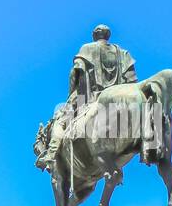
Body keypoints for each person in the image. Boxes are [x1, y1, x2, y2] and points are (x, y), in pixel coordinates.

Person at [36, 24, 137, 170]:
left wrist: (72, 95)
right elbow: (132, 80)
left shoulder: (87, 49)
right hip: (121, 100)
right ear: (107, 36)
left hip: (90, 97)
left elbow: (74, 73)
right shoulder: (123, 53)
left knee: (60, 120)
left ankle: (51, 154)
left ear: (95, 35)